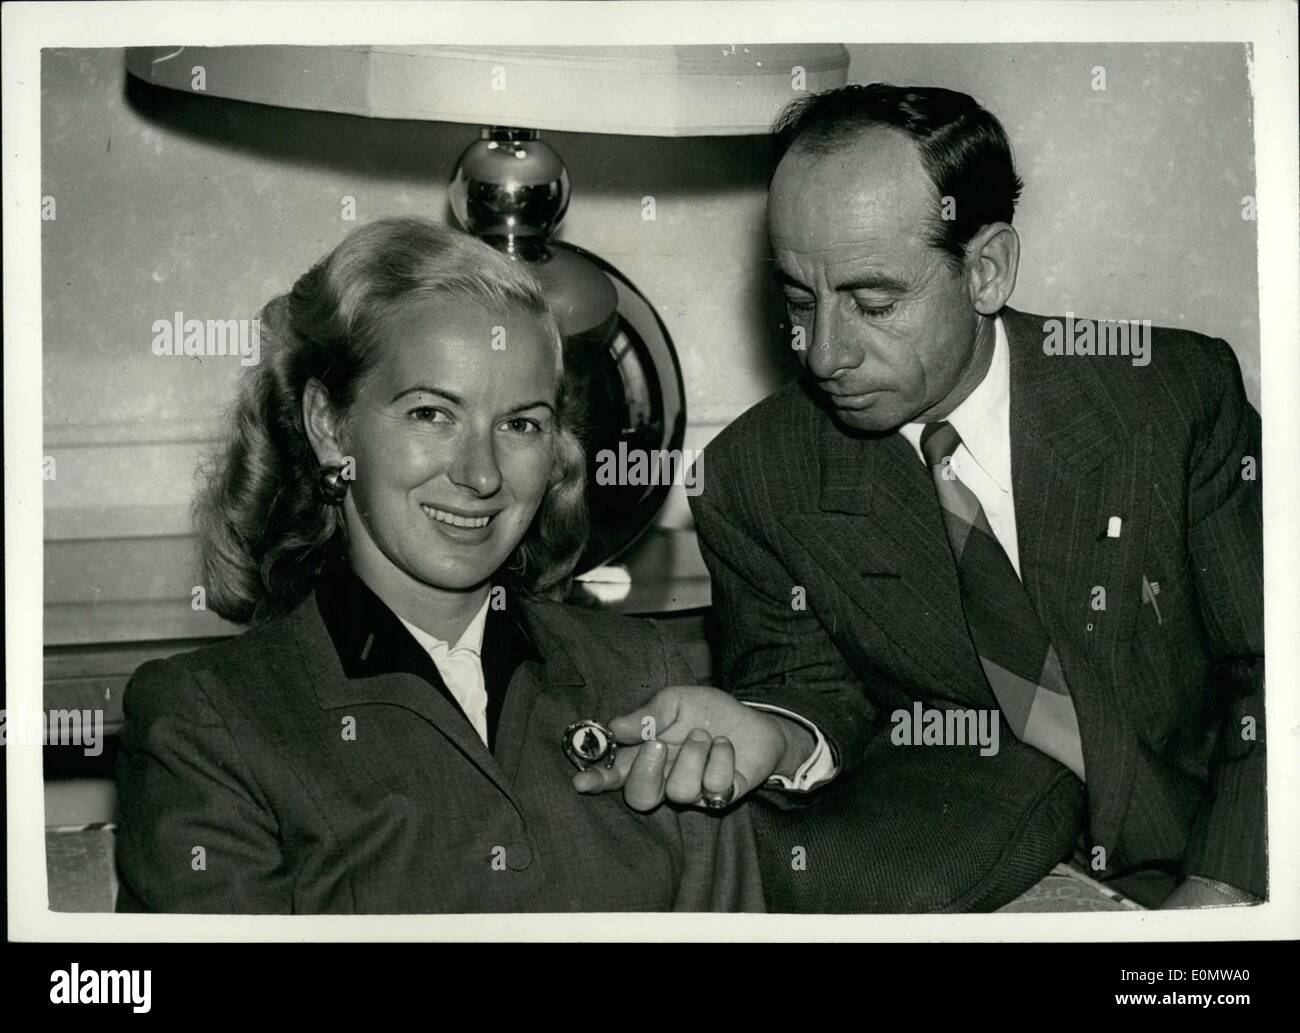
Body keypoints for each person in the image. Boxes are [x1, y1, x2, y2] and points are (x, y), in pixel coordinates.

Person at [584, 84, 1265, 912]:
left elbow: (1274, 673)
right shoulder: (755, 475)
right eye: (799, 301)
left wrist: (1225, 890)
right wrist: (772, 730)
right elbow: (811, 689)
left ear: (986, 270)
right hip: (1005, 859)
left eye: (874, 303)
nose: (824, 352)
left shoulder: (1172, 399)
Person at [114, 217, 763, 914]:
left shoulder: (642, 675)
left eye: (521, 424)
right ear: (329, 427)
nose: (480, 475)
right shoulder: (208, 728)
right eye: (431, 414)